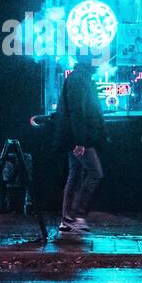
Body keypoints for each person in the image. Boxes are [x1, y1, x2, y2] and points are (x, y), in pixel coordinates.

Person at [55, 57, 106, 234]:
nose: (99, 64)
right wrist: (80, 141)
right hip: (79, 138)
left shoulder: (79, 78)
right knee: (95, 173)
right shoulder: (79, 80)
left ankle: (67, 219)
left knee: (75, 174)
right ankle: (76, 215)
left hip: (75, 136)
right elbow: (77, 111)